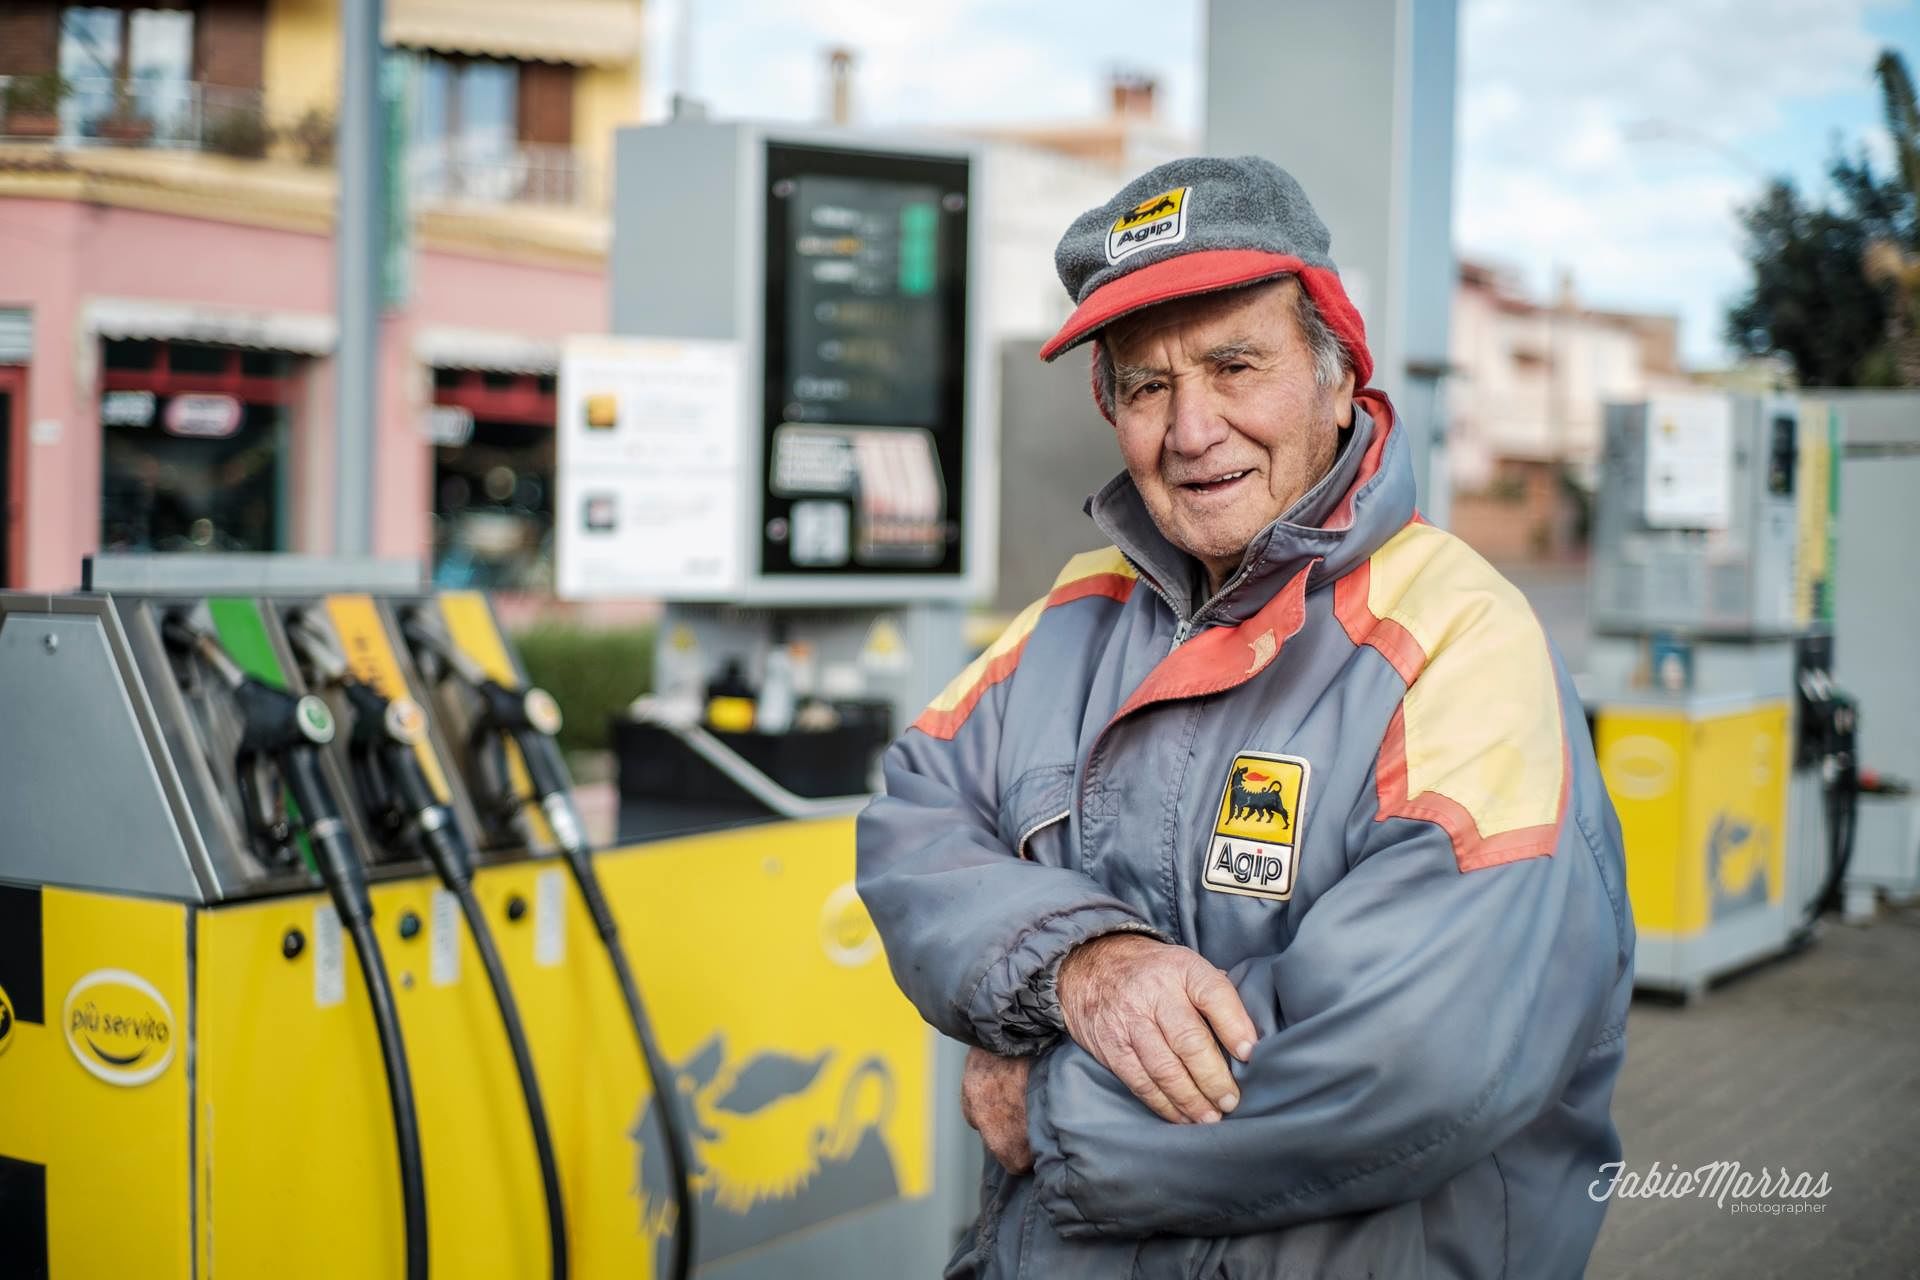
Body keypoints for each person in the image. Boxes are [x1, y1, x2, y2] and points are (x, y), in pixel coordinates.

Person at [856, 155, 1634, 1278]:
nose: (1193, 429)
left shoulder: (1464, 639)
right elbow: (911, 819)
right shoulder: (1074, 616)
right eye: (1146, 385)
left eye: (1234, 364)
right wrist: (1078, 962)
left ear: (1335, 370)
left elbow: (1412, 1057)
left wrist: (1053, 1105)